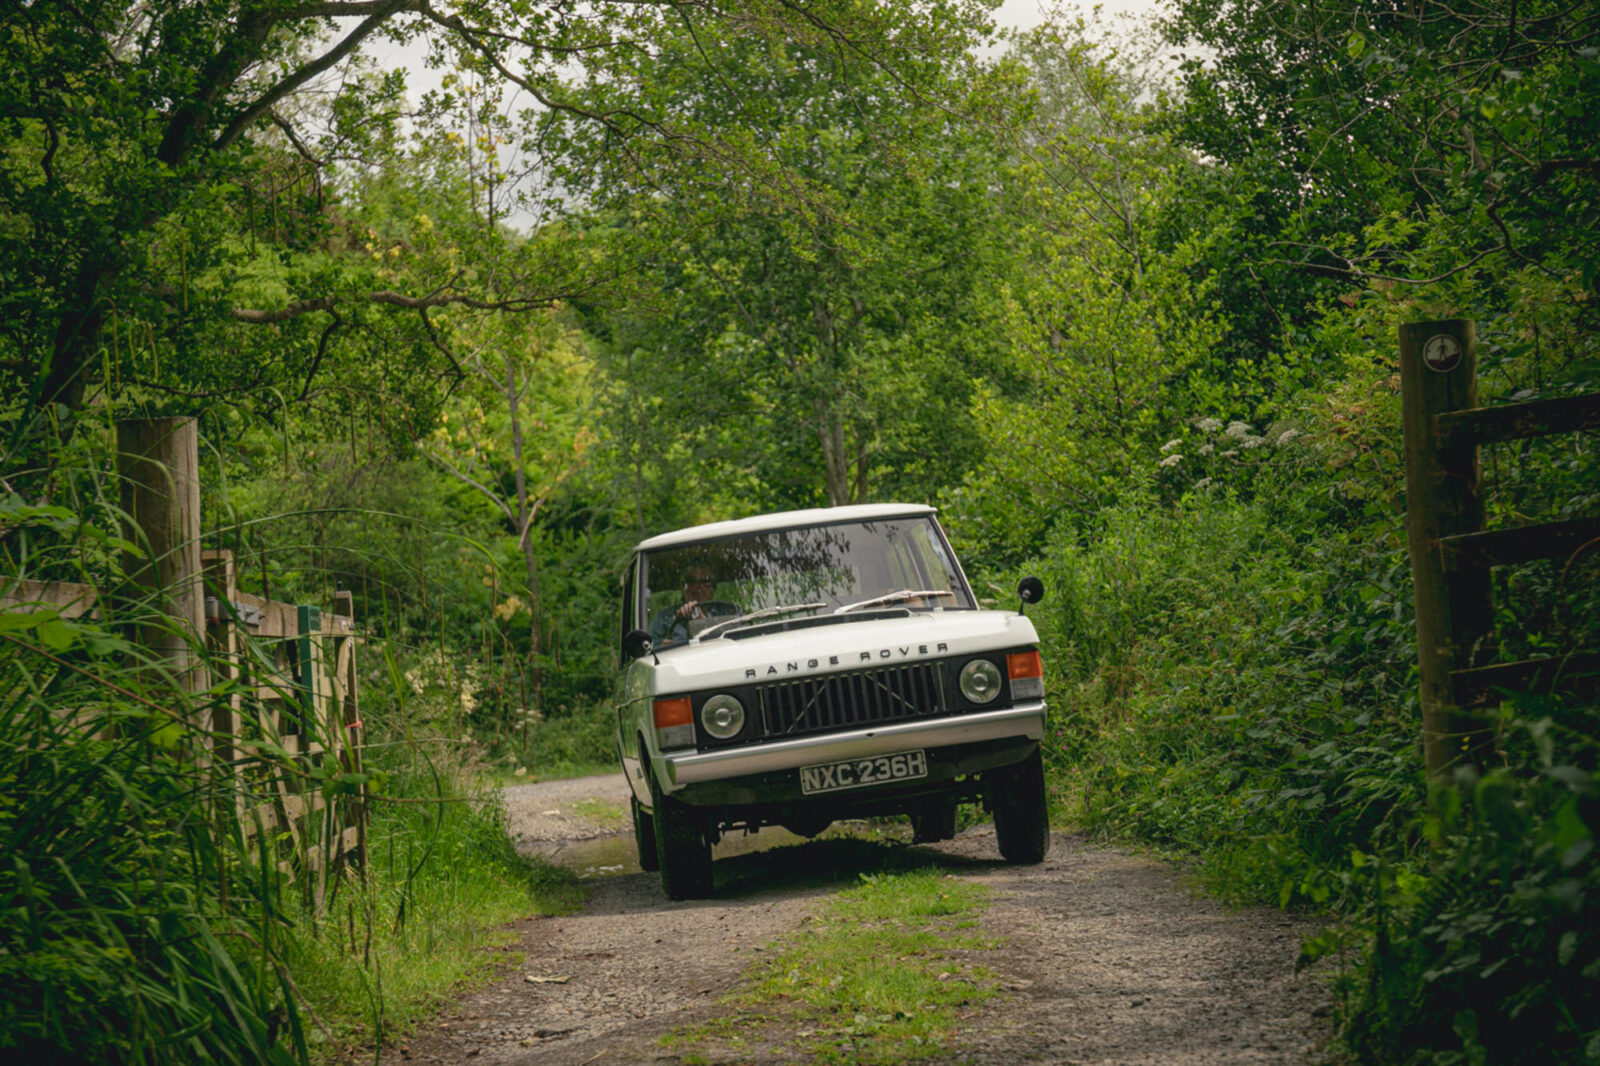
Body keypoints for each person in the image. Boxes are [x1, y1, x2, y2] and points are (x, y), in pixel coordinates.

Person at [647, 566, 739, 643]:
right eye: (691, 581)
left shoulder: (731, 612)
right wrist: (664, 647)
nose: (698, 587)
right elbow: (649, 650)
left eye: (705, 581)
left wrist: (703, 623)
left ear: (713, 589)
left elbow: (744, 638)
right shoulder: (663, 619)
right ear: (682, 588)